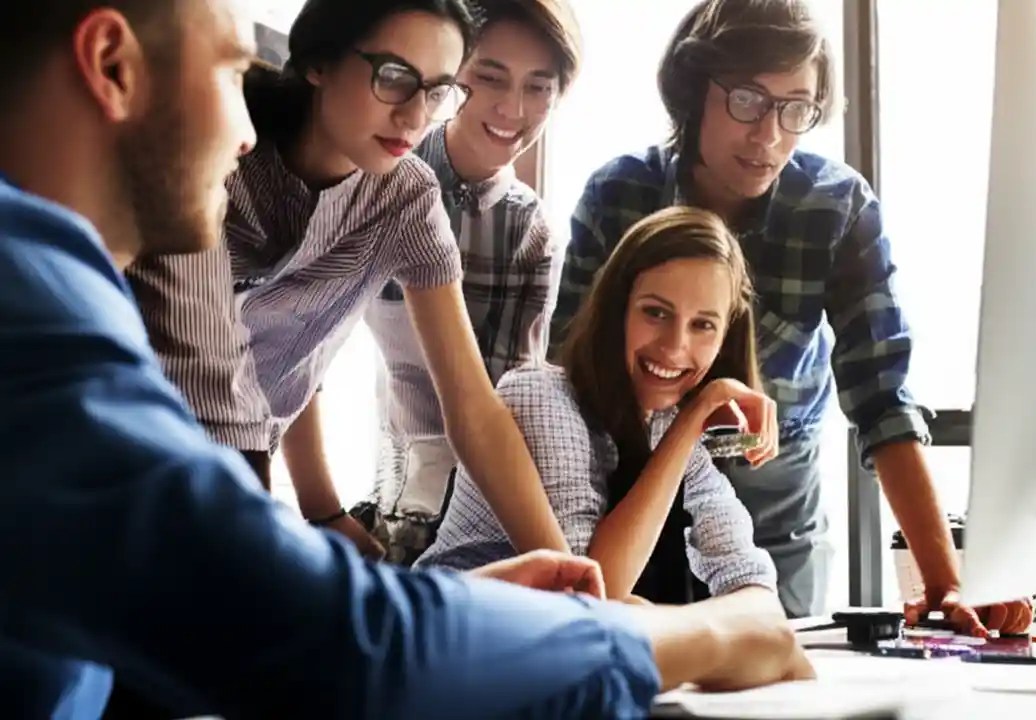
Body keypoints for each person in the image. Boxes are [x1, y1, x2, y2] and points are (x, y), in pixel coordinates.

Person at [0, 0, 815, 717]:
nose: (245, 127)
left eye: (440, 88)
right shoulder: (31, 304)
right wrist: (710, 633)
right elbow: (327, 644)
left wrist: (439, 605)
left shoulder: (409, 203)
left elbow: (458, 414)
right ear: (112, 67)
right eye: (229, 72)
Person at [552, 0, 1032, 633]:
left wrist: (945, 585)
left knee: (777, 672)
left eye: (796, 108)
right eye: (748, 100)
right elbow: (567, 370)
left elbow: (882, 399)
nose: (769, 135)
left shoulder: (834, 207)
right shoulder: (620, 194)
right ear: (696, 91)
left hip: (772, 509)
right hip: (629, 497)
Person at [123, 0, 570, 560]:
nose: (414, 117)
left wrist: (572, 576)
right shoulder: (219, 162)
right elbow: (219, 408)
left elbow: (474, 409)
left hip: (236, 481)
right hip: (133, 456)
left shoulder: (405, 197)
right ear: (319, 62)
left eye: (435, 92)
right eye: (393, 78)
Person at [289, 0, 583, 565]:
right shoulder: (375, 165)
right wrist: (321, 507)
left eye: (538, 88)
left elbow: (497, 403)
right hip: (391, 476)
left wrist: (564, 568)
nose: (511, 108)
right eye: (488, 78)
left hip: (474, 489)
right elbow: (294, 359)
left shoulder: (522, 226)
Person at [421, 207, 785, 612]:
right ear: (618, 308)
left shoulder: (671, 429)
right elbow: (590, 594)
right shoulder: (539, 397)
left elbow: (753, 588)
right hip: (449, 639)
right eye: (656, 312)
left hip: (545, 658)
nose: (674, 346)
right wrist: (695, 418)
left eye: (703, 325)